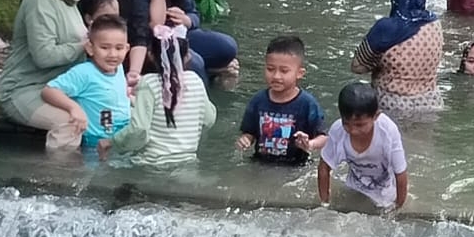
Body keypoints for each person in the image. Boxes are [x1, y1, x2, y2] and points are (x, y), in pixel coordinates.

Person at [0, 0, 99, 149]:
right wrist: (83, 46)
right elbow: (44, 56)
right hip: (24, 90)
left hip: (60, 88)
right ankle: (55, 170)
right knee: (70, 124)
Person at [99, 26, 217, 164]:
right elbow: (209, 119)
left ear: (150, 55)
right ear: (187, 57)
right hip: (188, 162)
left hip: (150, 164)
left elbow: (139, 129)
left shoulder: (149, 83)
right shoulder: (195, 80)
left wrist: (111, 142)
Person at [126, 0, 239, 86]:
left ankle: (210, 72)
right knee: (195, 63)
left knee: (227, 46)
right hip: (147, 41)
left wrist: (186, 20)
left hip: (176, 35)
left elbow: (194, 14)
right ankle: (204, 82)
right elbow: (150, 26)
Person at [351, 0, 445, 120]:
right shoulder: (435, 24)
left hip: (392, 106)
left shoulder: (386, 28)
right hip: (431, 103)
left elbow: (358, 66)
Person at [40, 14, 131, 152]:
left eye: (119, 48)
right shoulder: (84, 72)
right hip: (96, 144)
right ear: (90, 48)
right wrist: (74, 108)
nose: (112, 54)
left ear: (126, 49)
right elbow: (49, 90)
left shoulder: (119, 68)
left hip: (122, 137)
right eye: (105, 47)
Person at [318, 82, 408, 213]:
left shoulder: (388, 132)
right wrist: (324, 203)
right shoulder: (338, 130)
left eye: (360, 125)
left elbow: (400, 173)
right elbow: (324, 167)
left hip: (386, 190)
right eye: (346, 123)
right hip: (355, 187)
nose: (353, 130)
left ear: (376, 116)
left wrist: (398, 207)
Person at [237, 35, 327, 165]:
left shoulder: (307, 103)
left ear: (300, 73)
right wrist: (246, 139)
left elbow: (324, 138)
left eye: (284, 71)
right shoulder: (258, 101)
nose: (276, 76)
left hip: (295, 165)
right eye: (270, 69)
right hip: (261, 163)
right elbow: (249, 132)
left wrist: (310, 144)